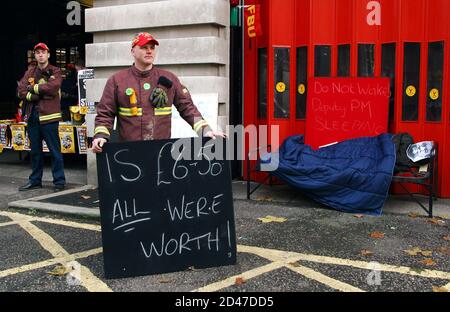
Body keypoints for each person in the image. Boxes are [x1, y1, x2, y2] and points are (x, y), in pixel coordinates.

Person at [92, 32, 225, 153]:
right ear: (133, 51)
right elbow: (105, 113)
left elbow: (188, 108)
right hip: (128, 153)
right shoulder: (117, 81)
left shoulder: (169, 79)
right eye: (144, 47)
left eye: (152, 48)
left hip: (161, 152)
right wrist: (101, 136)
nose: (149, 51)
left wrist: (205, 131)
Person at [17, 43, 66, 191]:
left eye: (43, 52)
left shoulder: (55, 71)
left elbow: (53, 87)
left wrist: (32, 89)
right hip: (33, 117)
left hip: (50, 118)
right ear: (35, 55)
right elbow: (20, 90)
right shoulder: (30, 72)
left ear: (48, 54)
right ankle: (35, 180)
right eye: (37, 52)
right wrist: (35, 95)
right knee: (35, 152)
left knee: (55, 152)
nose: (40, 55)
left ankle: (59, 182)